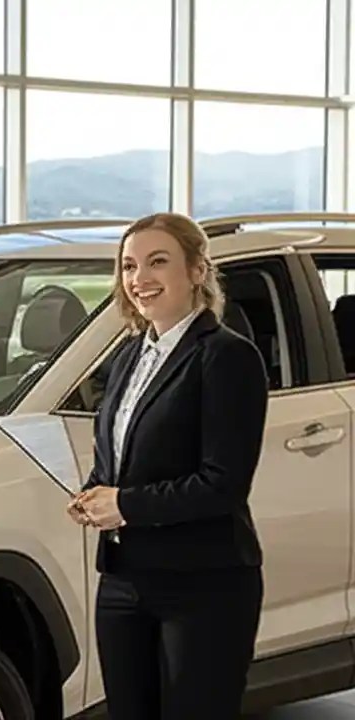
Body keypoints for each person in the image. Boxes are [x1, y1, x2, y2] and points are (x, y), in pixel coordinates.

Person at [66, 212, 269, 719]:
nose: (140, 278)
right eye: (129, 266)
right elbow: (121, 454)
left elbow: (222, 484)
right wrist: (94, 493)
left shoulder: (226, 357)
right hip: (123, 580)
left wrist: (124, 505)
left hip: (203, 584)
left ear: (197, 270)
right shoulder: (130, 357)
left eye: (157, 262)